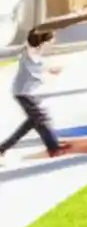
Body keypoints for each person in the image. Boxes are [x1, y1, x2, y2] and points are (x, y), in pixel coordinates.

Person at [0, 29, 71, 160]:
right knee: (42, 118)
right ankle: (54, 147)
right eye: (50, 40)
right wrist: (50, 70)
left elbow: (37, 66)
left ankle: (3, 148)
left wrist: (49, 70)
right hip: (24, 92)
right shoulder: (29, 53)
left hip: (27, 92)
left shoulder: (34, 53)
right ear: (43, 42)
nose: (52, 43)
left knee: (33, 122)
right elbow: (34, 68)